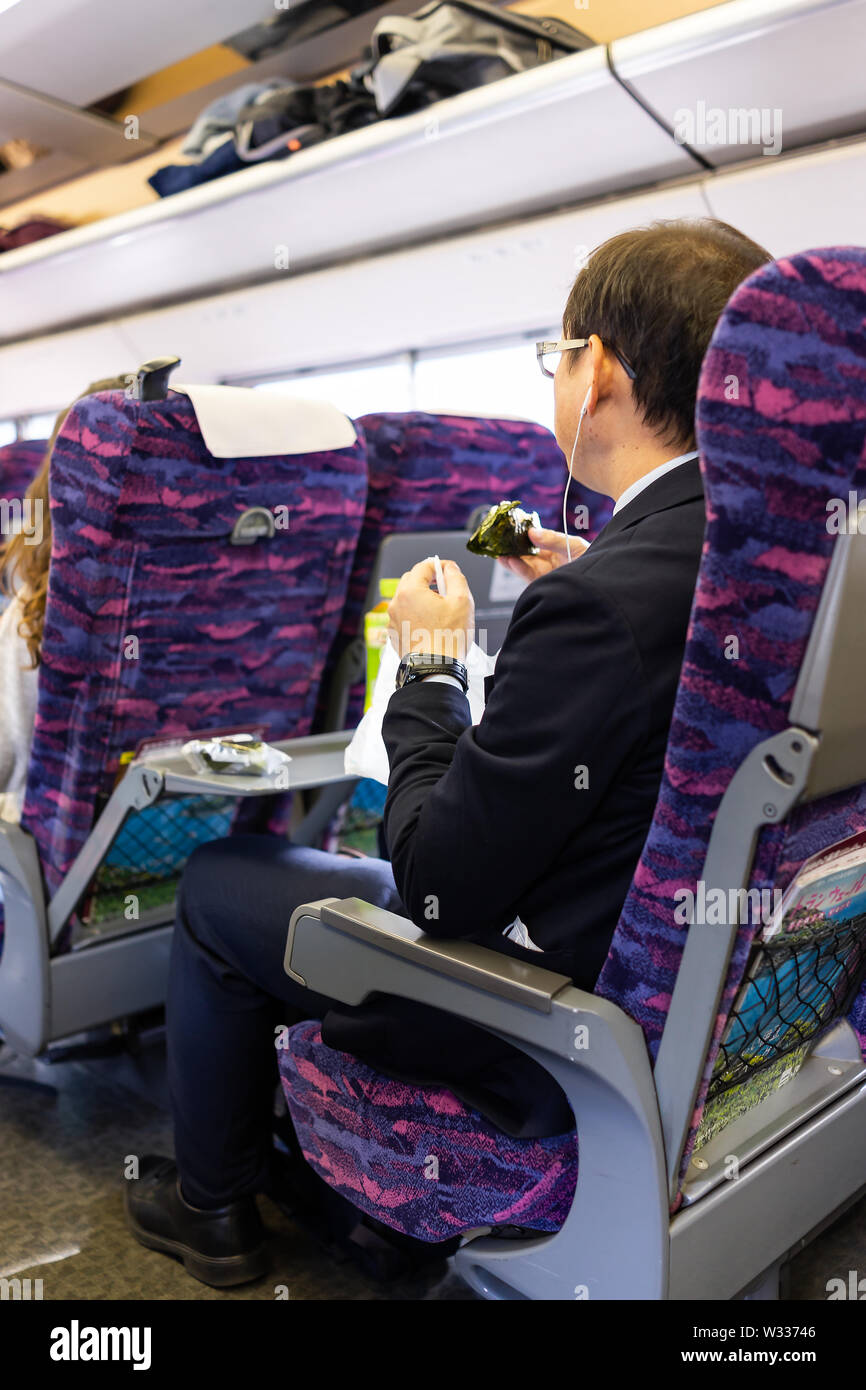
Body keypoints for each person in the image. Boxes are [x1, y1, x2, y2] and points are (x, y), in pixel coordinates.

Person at [125, 219, 771, 1286]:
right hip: (683, 996)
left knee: (217, 882)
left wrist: (428, 670)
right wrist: (590, 574)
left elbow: (429, 887)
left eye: (558, 357)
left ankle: (211, 1207)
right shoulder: (761, 567)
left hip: (526, 1009)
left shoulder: (599, 607)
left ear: (598, 370)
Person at [0, 378, 128, 823]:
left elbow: (5, 762)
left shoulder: (37, 612)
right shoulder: (227, 591)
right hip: (215, 831)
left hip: (57, 845)